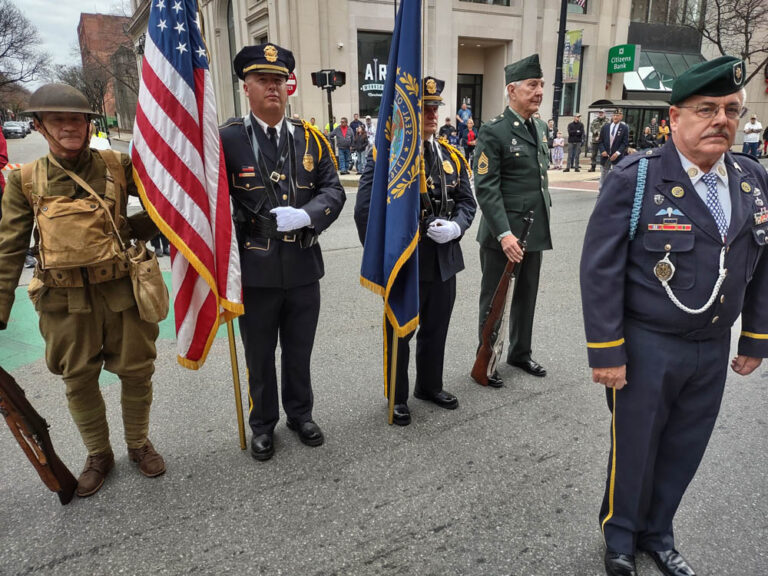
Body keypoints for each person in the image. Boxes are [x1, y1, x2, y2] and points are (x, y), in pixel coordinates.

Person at [580, 55, 768, 576]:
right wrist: (606, 351)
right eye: (706, 109)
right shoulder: (637, 178)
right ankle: (621, 536)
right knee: (635, 446)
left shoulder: (752, 178)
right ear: (674, 117)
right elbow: (600, 270)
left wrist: (755, 337)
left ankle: (658, 532)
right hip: (648, 345)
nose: (721, 120)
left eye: (731, 110)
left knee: (685, 447)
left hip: (712, 346)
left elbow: (762, 262)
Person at [0, 84, 165, 497]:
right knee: (78, 380)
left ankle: (138, 443)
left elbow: (165, 201)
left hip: (122, 291)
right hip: (64, 301)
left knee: (137, 372)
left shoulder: (117, 165)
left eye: (76, 119)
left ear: (89, 125)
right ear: (39, 126)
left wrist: (132, 231)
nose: (69, 127)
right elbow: (9, 248)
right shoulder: (24, 180)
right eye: (58, 120)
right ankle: (98, 454)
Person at [220, 44, 345, 461]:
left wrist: (307, 215)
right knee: (259, 355)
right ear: (247, 87)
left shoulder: (311, 138)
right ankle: (262, 424)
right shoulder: (228, 138)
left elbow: (333, 189)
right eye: (263, 80)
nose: (273, 87)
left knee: (298, 350)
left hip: (303, 265)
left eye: (279, 80)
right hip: (255, 269)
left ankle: (300, 414)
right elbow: (212, 200)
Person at [354, 76, 476, 425]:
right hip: (407, 261)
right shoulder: (387, 156)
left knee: (437, 328)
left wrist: (456, 228)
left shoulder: (451, 155)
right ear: (408, 113)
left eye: (435, 108)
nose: (432, 114)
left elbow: (467, 203)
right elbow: (365, 211)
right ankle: (397, 395)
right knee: (401, 330)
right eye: (425, 108)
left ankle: (429, 385)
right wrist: (385, 258)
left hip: (444, 260)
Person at [474, 54, 552, 386]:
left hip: (533, 230)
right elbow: (486, 186)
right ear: (512, 89)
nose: (539, 91)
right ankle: (487, 358)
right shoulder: (494, 130)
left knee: (526, 295)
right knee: (495, 298)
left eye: (541, 85)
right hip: (503, 234)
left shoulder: (540, 127)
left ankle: (520, 352)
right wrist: (504, 233)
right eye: (532, 85)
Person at [598, 110, 629, 189]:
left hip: (617, 157)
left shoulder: (624, 128)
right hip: (605, 156)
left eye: (617, 115)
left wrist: (617, 153)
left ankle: (613, 191)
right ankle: (602, 191)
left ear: (621, 116)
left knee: (616, 175)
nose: (615, 117)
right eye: (614, 115)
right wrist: (603, 150)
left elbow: (624, 143)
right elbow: (600, 141)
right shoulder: (605, 127)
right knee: (603, 175)